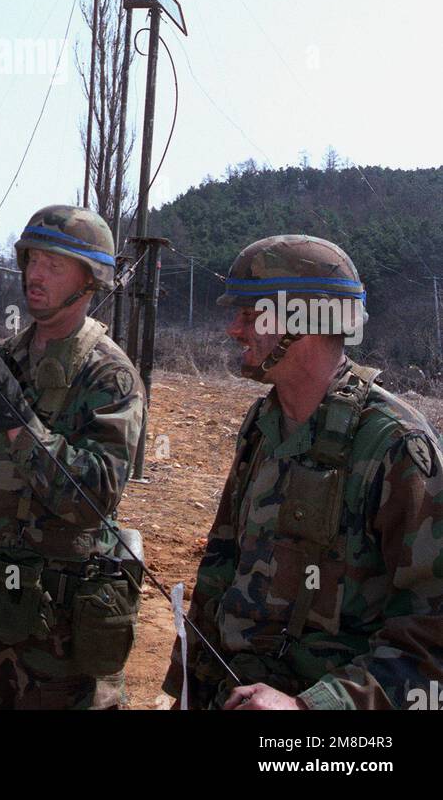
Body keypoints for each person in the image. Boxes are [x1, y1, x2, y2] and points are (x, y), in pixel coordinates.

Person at [163, 234, 443, 711]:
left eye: (250, 315)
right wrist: (189, 689)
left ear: (302, 320)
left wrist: (309, 707)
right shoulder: (263, 424)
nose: (234, 329)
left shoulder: (395, 445)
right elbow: (221, 568)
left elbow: (432, 638)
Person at [0, 204, 146, 710]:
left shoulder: (109, 375)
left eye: (54, 265)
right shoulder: (10, 356)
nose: (35, 274)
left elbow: (93, 496)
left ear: (90, 280)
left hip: (58, 632)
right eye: (31, 260)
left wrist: (18, 418)